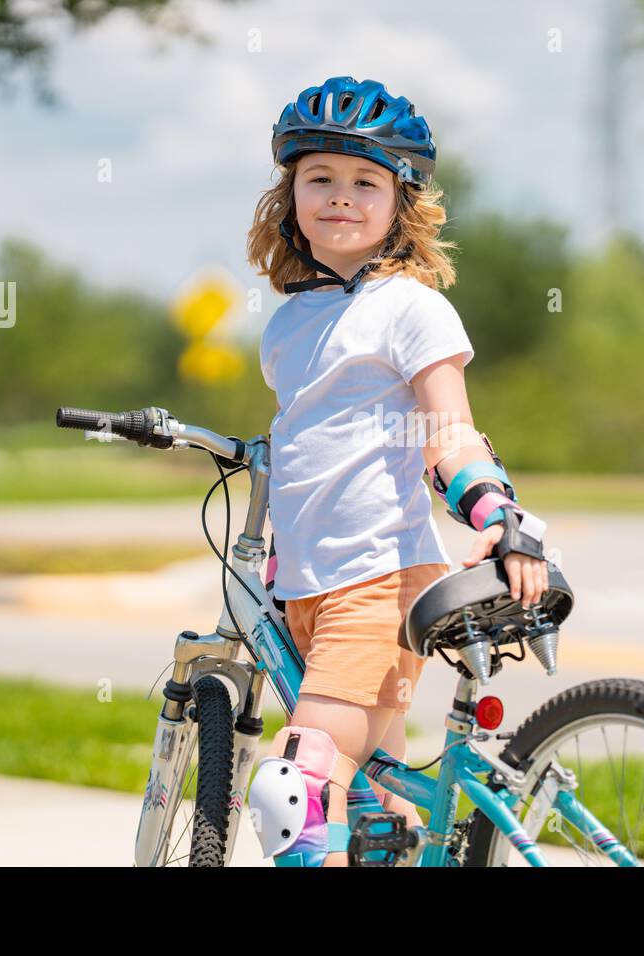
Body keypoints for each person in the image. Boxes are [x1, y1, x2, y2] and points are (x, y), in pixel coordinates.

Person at [244, 76, 550, 867]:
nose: (340, 197)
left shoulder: (410, 308)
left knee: (300, 788)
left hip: (379, 581)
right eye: (320, 178)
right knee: (371, 790)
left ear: (400, 204)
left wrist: (496, 516)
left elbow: (447, 432)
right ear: (289, 197)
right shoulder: (286, 325)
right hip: (312, 585)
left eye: (365, 182)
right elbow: (317, 445)